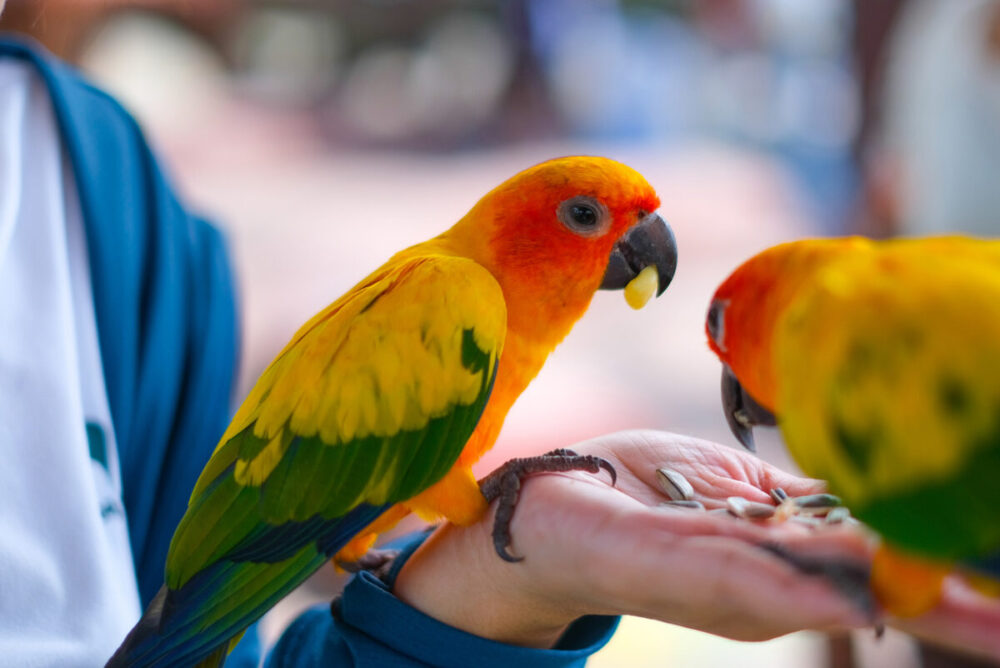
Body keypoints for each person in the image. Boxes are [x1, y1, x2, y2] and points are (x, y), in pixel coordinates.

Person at [1, 20, 998, 668]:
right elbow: (342, 513)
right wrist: (497, 508)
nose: (629, 245)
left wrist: (514, 573)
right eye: (583, 216)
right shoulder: (456, 301)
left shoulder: (117, 216)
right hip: (259, 534)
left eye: (622, 223)